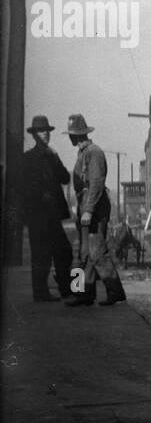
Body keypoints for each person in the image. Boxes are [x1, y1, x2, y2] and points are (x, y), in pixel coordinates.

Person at [63, 114, 127, 308]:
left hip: (95, 210)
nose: (70, 138)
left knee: (97, 252)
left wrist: (89, 210)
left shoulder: (94, 153)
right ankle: (82, 294)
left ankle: (115, 291)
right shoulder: (83, 153)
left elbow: (97, 184)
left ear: (78, 135)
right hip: (84, 209)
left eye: (72, 134)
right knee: (81, 253)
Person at [20, 114, 74, 302]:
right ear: (34, 135)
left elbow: (65, 178)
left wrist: (56, 158)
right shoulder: (27, 159)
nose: (45, 134)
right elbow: (23, 187)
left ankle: (66, 288)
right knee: (41, 254)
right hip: (37, 215)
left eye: (47, 131)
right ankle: (41, 293)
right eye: (41, 131)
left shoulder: (52, 156)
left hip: (52, 215)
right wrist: (39, 195)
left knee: (65, 251)